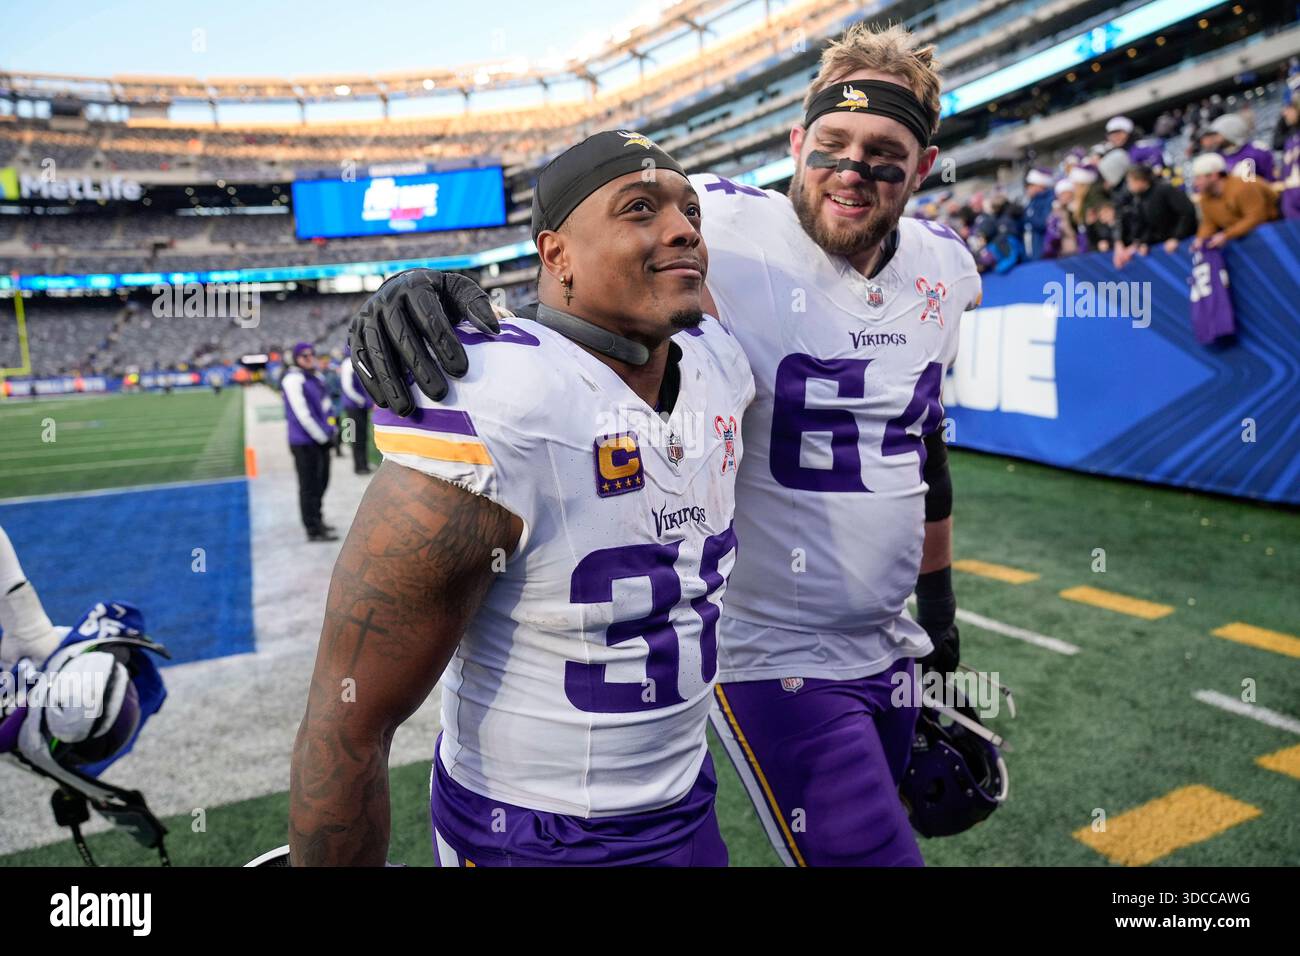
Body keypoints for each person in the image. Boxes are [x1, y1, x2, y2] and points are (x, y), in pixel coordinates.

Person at [349, 23, 999, 866]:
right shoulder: (724, 225)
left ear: (923, 165)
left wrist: (940, 622)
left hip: (887, 638)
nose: (851, 168)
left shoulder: (946, 266)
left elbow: (926, 454)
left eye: (884, 150)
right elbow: (594, 269)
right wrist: (442, 287)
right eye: (831, 143)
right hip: (776, 648)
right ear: (797, 142)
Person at [289, 131, 755, 867]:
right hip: (530, 836)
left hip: (687, 806)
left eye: (689, 210)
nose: (683, 229)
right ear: (556, 253)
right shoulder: (500, 401)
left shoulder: (722, 363)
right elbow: (347, 719)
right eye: (640, 209)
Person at [281, 342, 337, 542]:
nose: (309, 358)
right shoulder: (293, 379)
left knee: (322, 482)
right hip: (304, 442)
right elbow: (302, 415)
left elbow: (327, 406)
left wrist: (332, 428)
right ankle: (312, 528)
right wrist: (323, 436)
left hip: (321, 439)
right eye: (304, 355)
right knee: (308, 486)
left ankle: (318, 520)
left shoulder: (317, 377)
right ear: (296, 358)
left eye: (311, 354)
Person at [1112, 164, 1198, 267]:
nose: (1128, 186)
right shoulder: (1140, 199)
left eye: (1130, 182)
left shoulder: (1165, 190)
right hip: (1166, 248)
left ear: (1141, 181)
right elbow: (1149, 226)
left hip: (1187, 243)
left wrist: (1177, 237)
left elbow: (1186, 212)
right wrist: (1144, 243)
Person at [1192, 152, 1280, 249]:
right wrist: (1201, 238)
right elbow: (1209, 223)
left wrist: (1227, 235)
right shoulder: (1205, 197)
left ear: (1214, 176)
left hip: (1275, 232)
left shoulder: (1242, 186)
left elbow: (1257, 217)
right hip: (1248, 238)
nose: (1195, 183)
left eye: (1198, 178)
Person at [339, 348, 373, 475]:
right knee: (355, 436)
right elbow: (348, 387)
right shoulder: (348, 362)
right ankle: (359, 466)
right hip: (353, 406)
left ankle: (362, 463)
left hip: (359, 405)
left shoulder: (353, 360)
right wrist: (363, 401)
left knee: (362, 436)